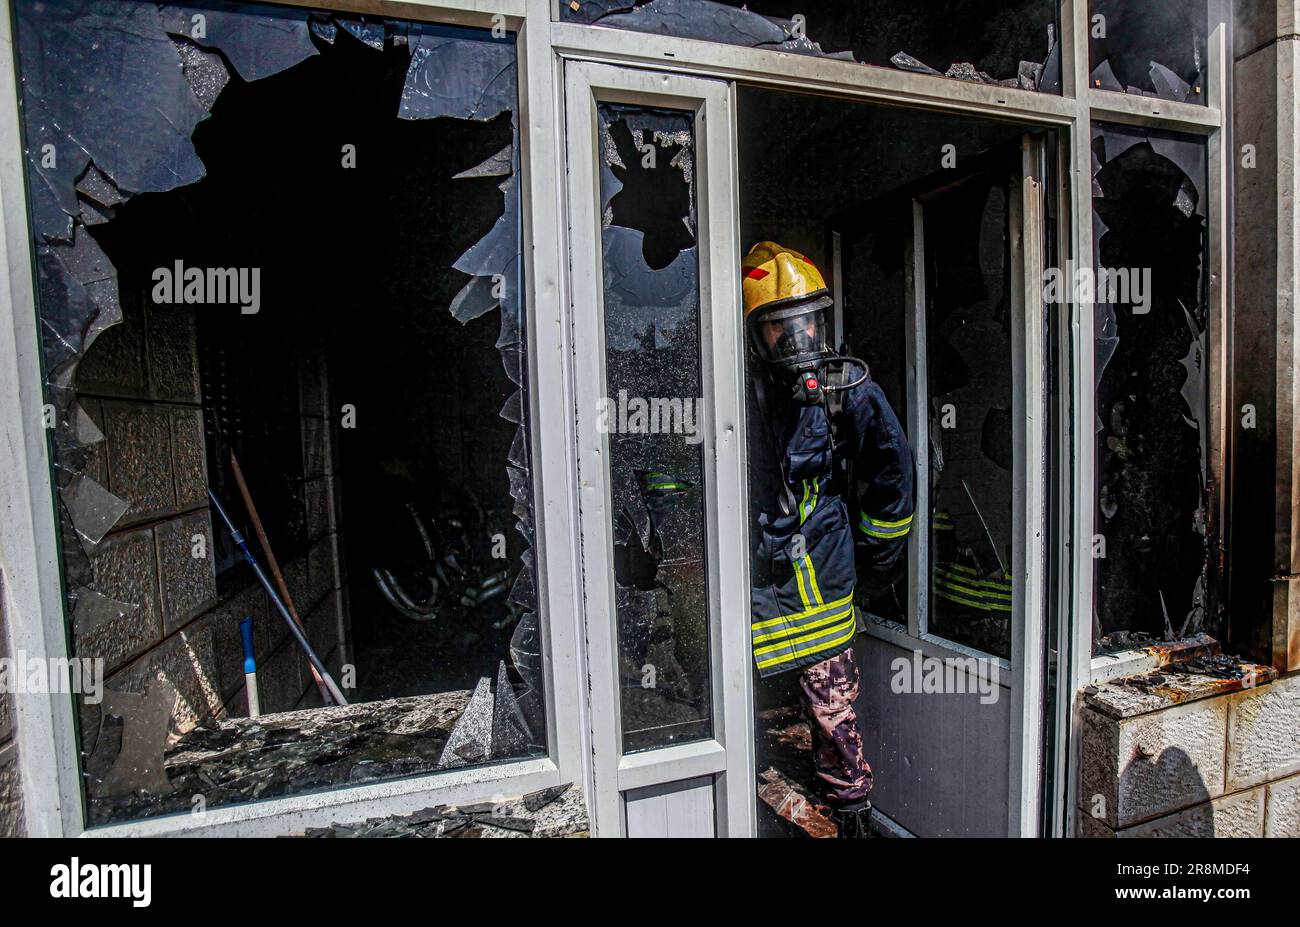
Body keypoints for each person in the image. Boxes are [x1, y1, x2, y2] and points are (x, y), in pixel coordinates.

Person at [743, 241, 914, 838]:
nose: (797, 340)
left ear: (823, 320)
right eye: (778, 329)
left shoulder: (848, 391)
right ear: (754, 338)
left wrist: (877, 557)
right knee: (737, 719)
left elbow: (891, 474)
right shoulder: (736, 395)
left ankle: (851, 818)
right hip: (753, 588)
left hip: (822, 579)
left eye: (806, 322)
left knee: (833, 712)